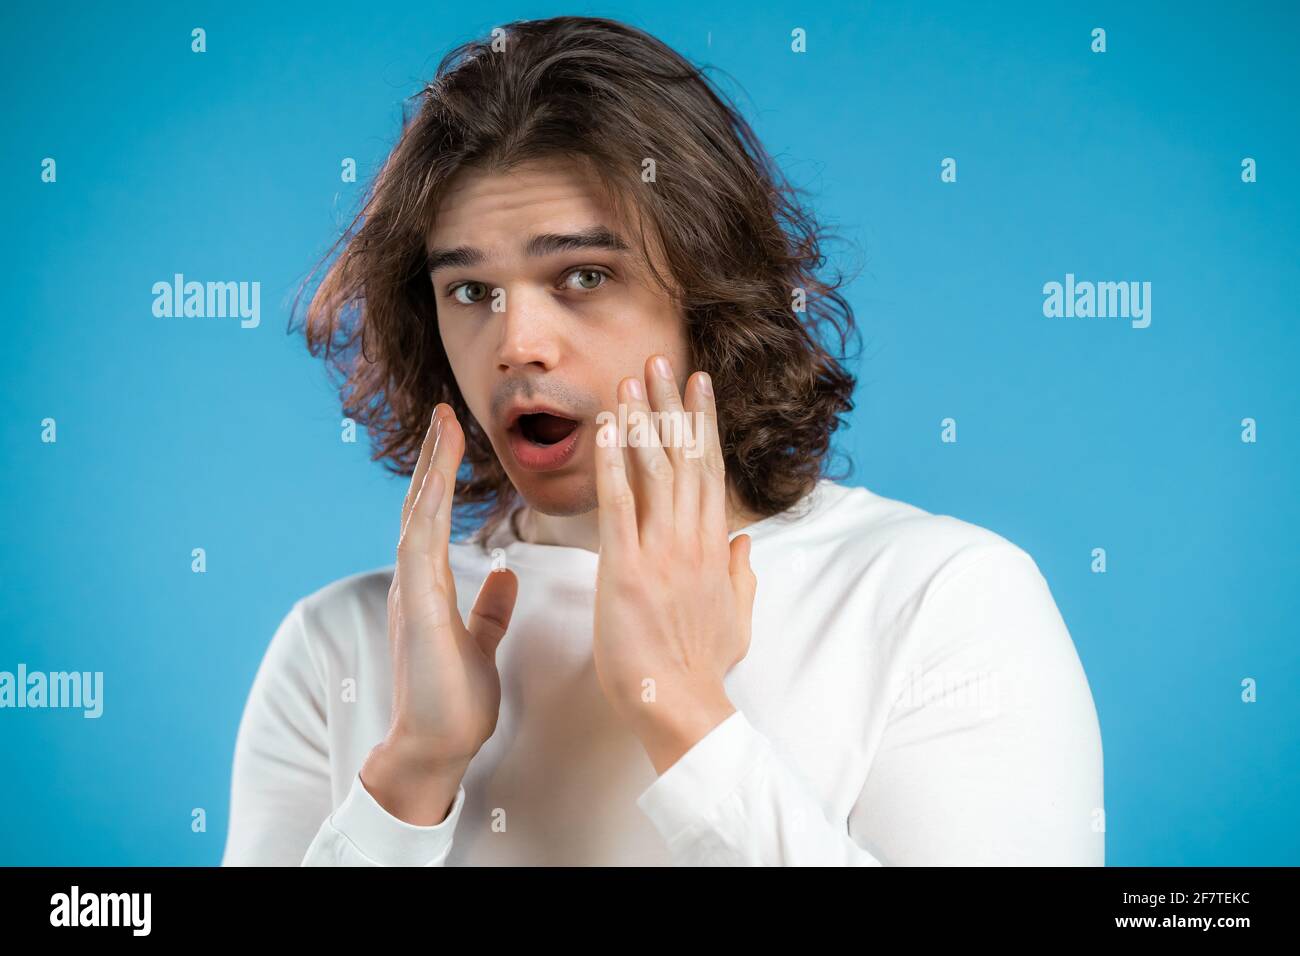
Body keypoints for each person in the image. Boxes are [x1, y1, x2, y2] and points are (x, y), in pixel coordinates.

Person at [220, 15, 1103, 866]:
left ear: (708, 297)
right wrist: (412, 772)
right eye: (471, 291)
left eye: (584, 276)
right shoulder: (337, 644)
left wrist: (682, 710)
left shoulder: (940, 600)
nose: (517, 342)